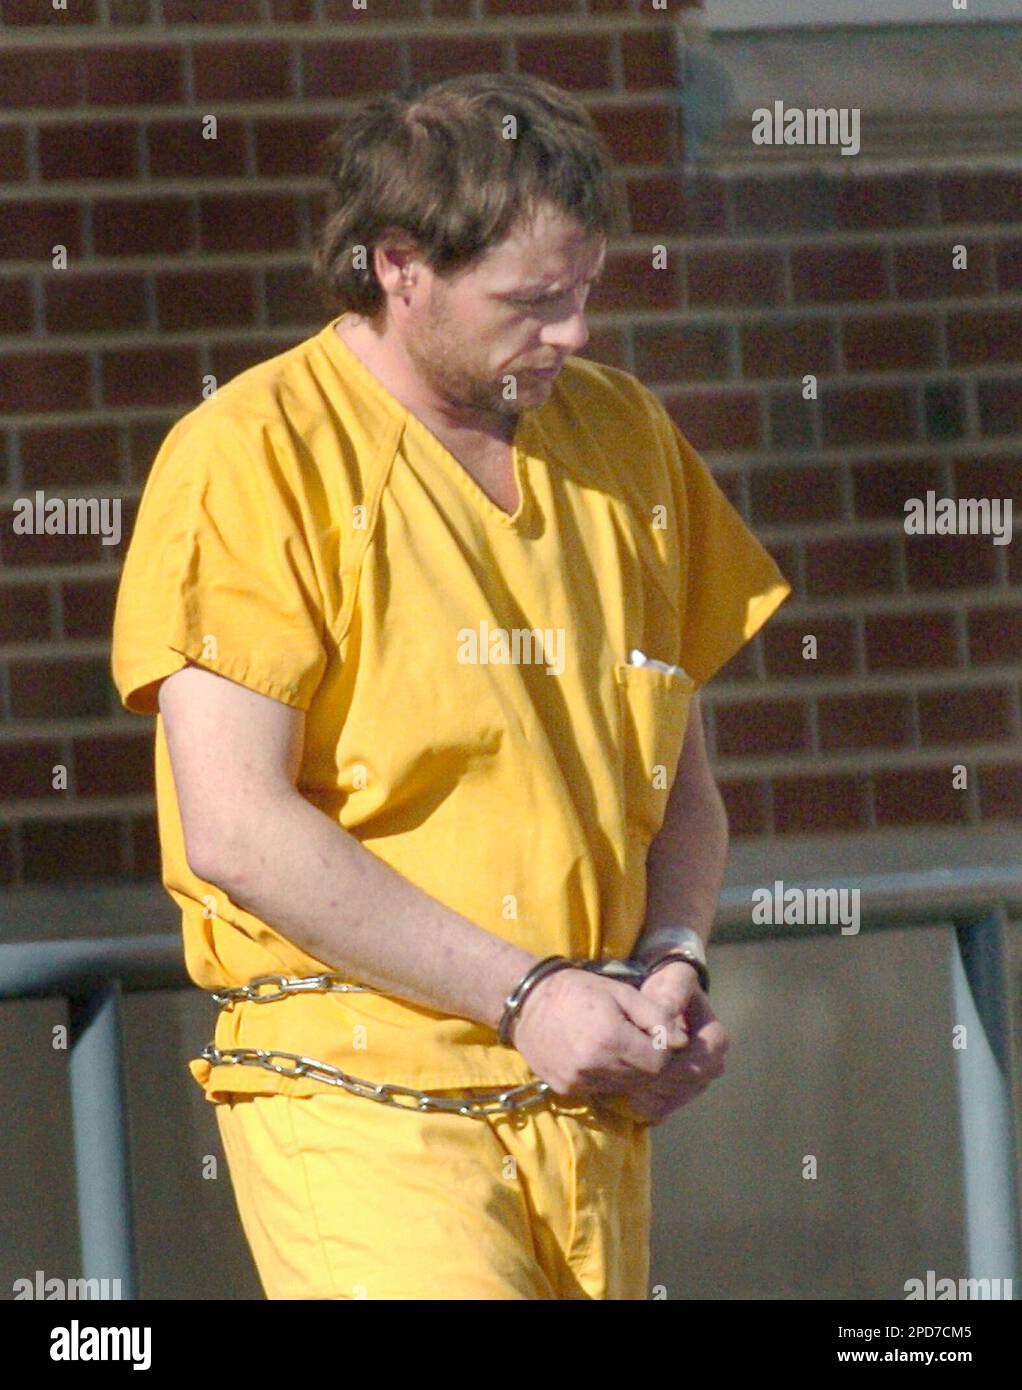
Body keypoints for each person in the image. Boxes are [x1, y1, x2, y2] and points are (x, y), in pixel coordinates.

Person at [110, 72, 790, 1301]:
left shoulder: (625, 438)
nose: (573, 333)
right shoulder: (252, 456)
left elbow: (680, 789)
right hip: (360, 1100)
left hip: (581, 1103)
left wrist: (669, 962)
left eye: (583, 291)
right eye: (530, 302)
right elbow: (238, 829)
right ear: (397, 266)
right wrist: (523, 990)